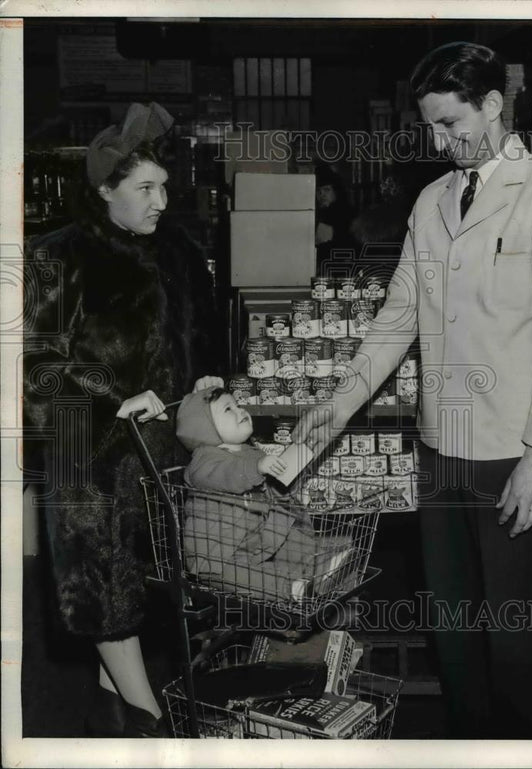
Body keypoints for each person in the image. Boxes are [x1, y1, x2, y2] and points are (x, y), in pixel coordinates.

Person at [294, 42, 532, 738]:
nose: (438, 141)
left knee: (516, 639)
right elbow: (398, 317)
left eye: (450, 124)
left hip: (513, 457)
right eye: (428, 127)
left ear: (492, 106)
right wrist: (337, 404)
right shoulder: (431, 201)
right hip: (441, 452)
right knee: (455, 631)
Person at [23, 102, 223, 737]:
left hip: (164, 460)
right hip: (88, 459)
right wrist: (111, 396)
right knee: (107, 597)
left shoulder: (181, 253)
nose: (162, 199)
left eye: (164, 185)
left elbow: (207, 343)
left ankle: (118, 733)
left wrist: (209, 380)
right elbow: (33, 364)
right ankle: (160, 728)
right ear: (105, 191)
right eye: (145, 188)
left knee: (138, 606)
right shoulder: (57, 256)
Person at [176, 387, 352, 602]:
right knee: (246, 578)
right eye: (228, 409)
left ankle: (317, 564)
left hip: (254, 539)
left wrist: (290, 473)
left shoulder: (253, 452)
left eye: (238, 405)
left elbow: (272, 490)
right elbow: (226, 474)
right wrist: (257, 467)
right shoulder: (203, 461)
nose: (241, 411)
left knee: (290, 539)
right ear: (204, 429)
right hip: (216, 556)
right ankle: (293, 588)